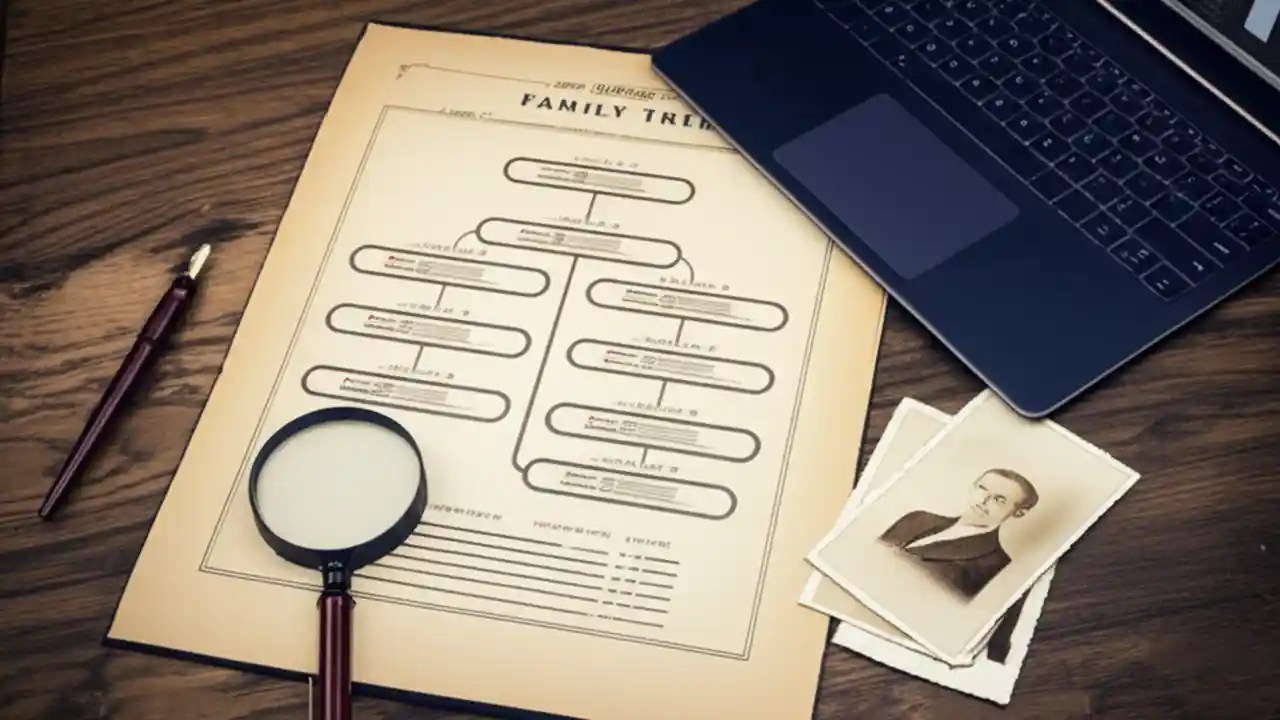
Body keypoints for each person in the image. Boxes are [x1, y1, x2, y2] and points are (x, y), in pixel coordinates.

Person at [879, 468, 1038, 599]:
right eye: (982, 489)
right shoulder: (917, 518)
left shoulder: (996, 565)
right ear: (973, 487)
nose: (984, 501)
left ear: (1018, 513)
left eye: (999, 500)